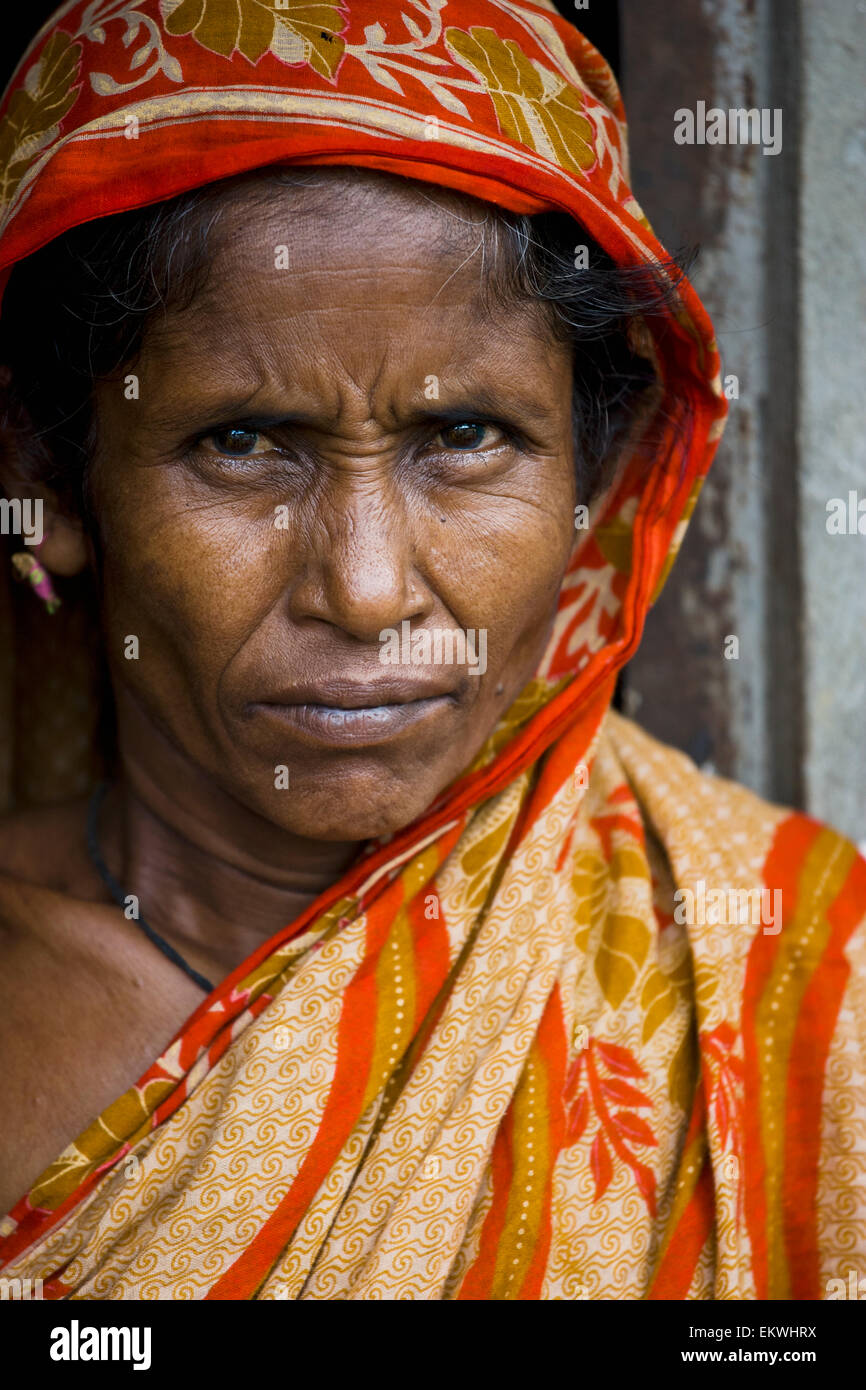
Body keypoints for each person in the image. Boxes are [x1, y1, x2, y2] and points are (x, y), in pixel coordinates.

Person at [0, 0, 862, 1301]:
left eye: (464, 435)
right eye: (242, 442)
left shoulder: (800, 976)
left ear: (596, 473)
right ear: (49, 481)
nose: (362, 586)